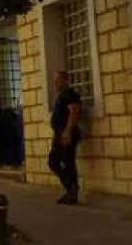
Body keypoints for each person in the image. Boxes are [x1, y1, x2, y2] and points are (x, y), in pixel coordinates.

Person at [48, 71, 83, 205]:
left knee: (58, 161)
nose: (55, 83)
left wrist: (67, 132)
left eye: (58, 80)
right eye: (55, 80)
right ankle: (71, 191)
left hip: (65, 134)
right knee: (65, 162)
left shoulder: (69, 94)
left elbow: (74, 112)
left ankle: (71, 189)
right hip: (60, 133)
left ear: (65, 81)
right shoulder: (62, 96)